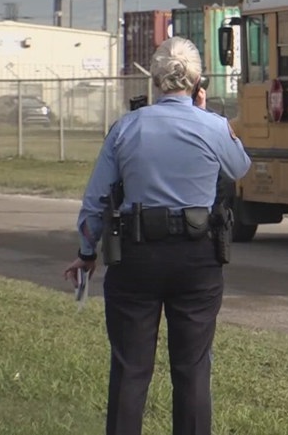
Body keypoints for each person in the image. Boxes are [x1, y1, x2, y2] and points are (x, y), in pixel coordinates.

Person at [63, 36, 252, 435]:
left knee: (131, 369)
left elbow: (96, 199)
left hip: (136, 256)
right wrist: (207, 116)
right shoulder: (214, 126)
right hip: (197, 257)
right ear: (198, 81)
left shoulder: (126, 128)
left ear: (156, 81)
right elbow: (240, 168)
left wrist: (86, 251)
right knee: (193, 367)